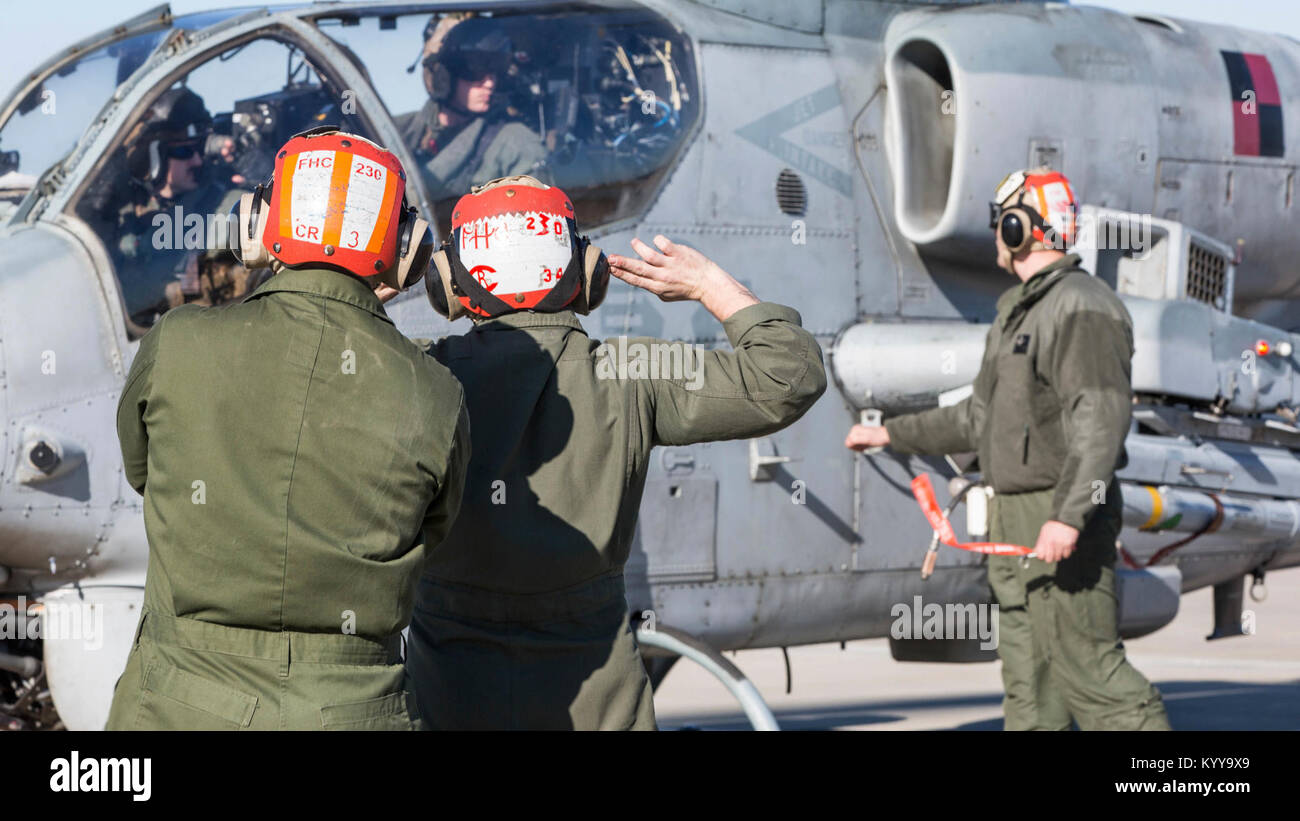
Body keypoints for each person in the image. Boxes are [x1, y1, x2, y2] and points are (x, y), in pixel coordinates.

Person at [407, 175, 826, 729]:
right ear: (585, 274)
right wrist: (709, 285)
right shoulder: (631, 373)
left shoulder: (416, 372)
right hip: (597, 695)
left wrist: (370, 293)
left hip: (446, 693)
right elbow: (787, 375)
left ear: (449, 283)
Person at [105, 128, 469, 731]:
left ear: (258, 225)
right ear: (406, 249)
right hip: (357, 710)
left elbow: (145, 471)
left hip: (177, 705)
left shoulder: (179, 342)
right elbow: (434, 527)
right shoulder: (437, 392)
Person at [846, 168, 1170, 731]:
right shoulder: (1020, 310)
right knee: (1032, 691)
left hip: (1056, 515)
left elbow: (1101, 421)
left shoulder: (1081, 308)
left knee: (1095, 679)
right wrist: (891, 434)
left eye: (1002, 223)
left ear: (1023, 228)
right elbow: (979, 418)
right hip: (1016, 520)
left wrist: (1068, 518)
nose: (997, 235)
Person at [111, 86, 247, 328]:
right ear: (153, 158)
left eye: (199, 149)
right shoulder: (123, 215)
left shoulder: (228, 210)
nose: (196, 160)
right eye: (184, 151)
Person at [394, 15, 548, 203]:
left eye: (496, 71)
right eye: (477, 70)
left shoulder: (516, 145)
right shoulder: (394, 132)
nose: (490, 82)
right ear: (447, 74)